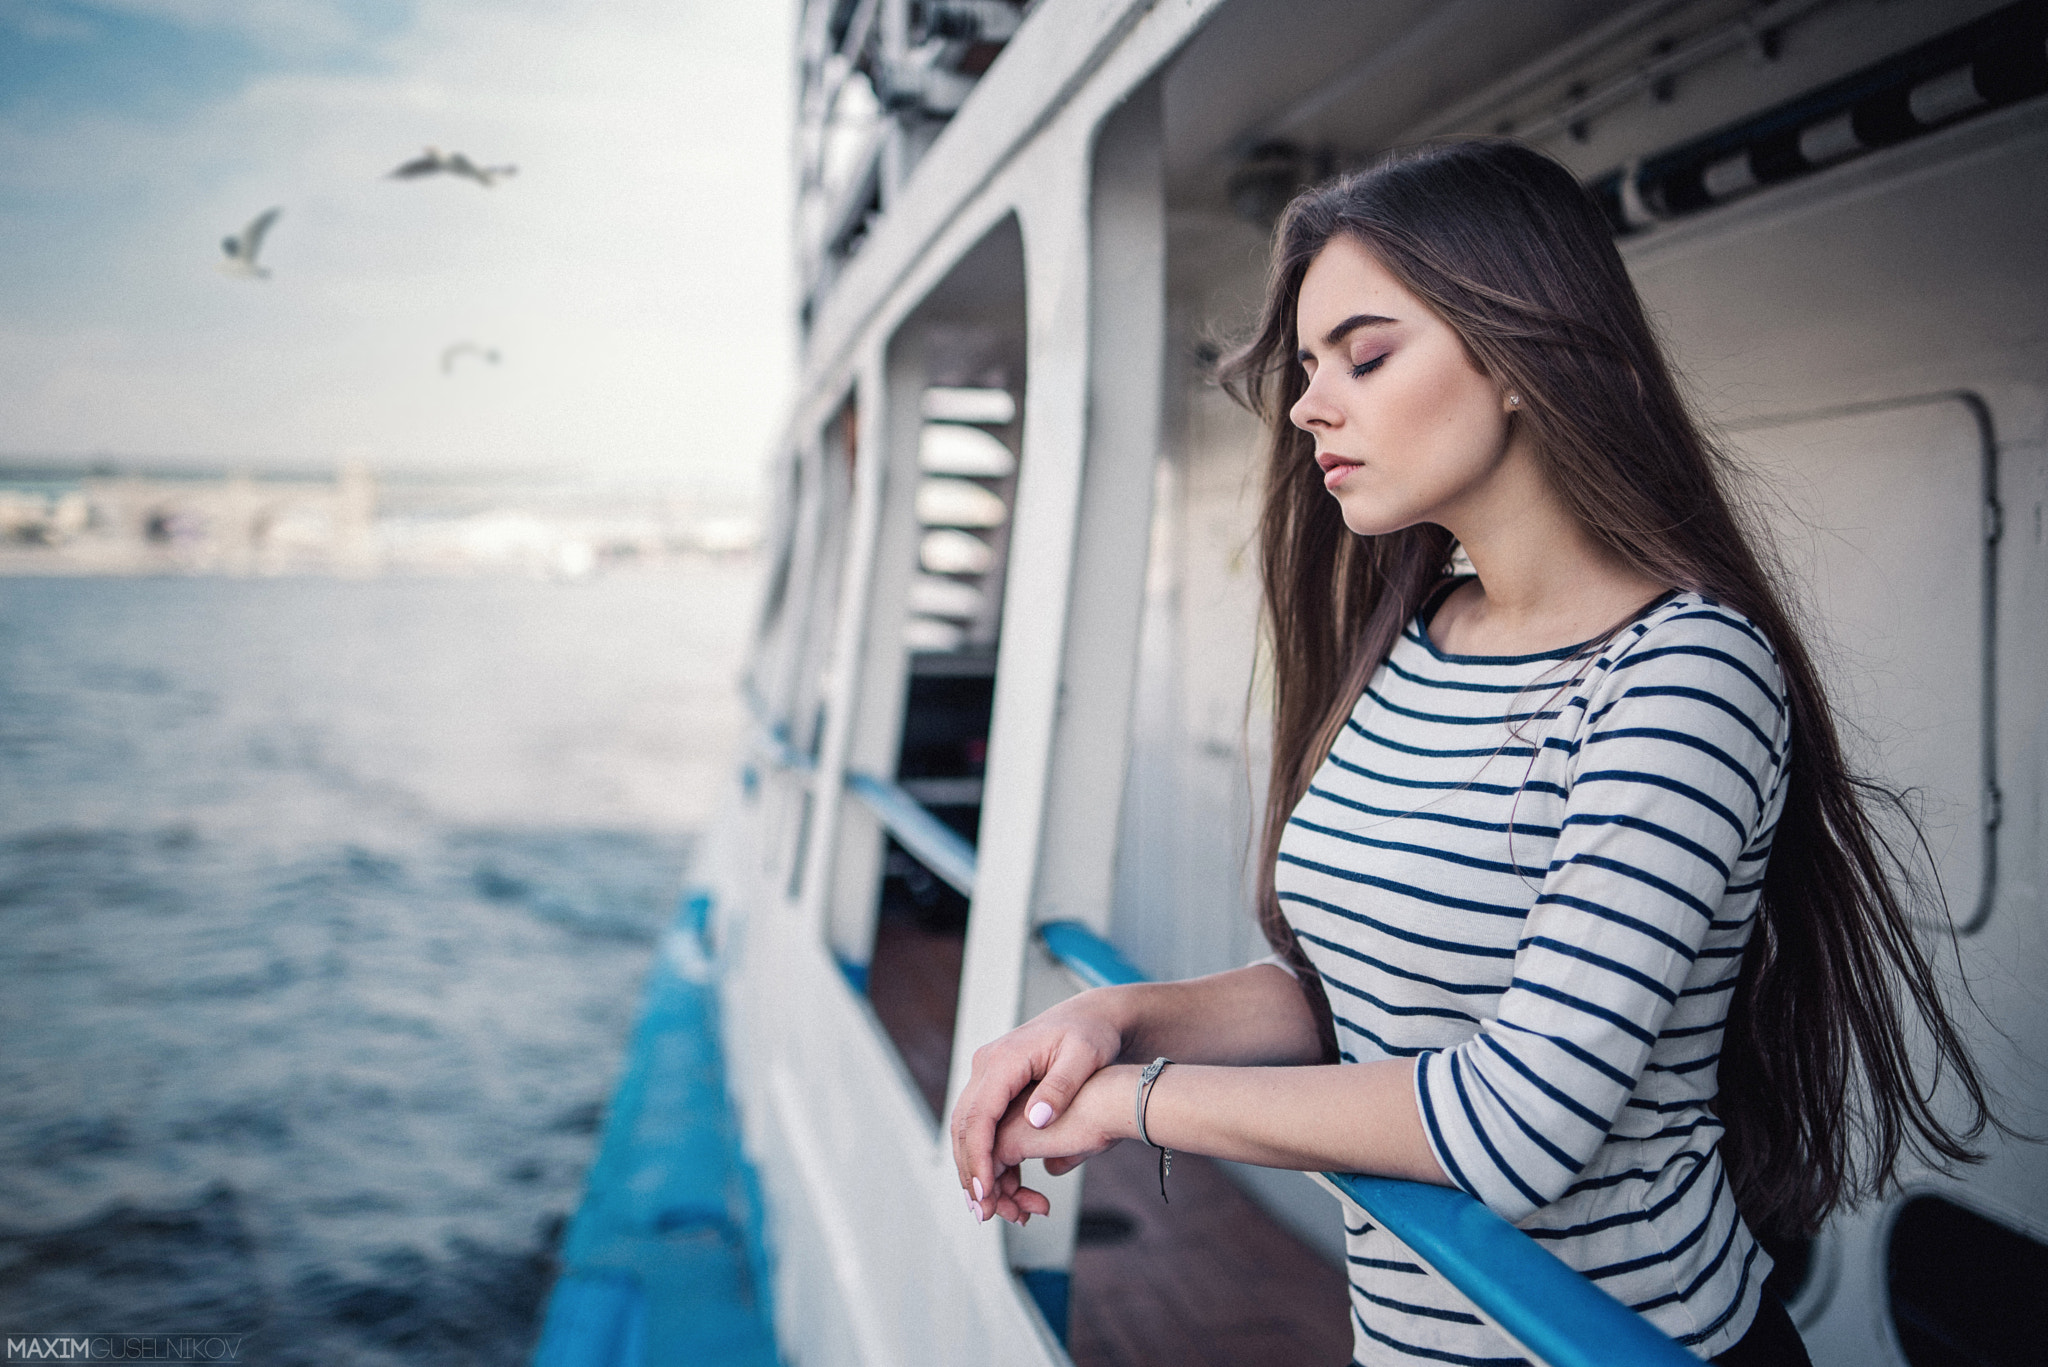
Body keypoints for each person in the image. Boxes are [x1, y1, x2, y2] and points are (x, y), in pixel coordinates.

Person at [947, 139, 2002, 1365]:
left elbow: (1513, 1126)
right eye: (1304, 366)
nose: (1305, 405)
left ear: (1517, 356)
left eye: (1366, 354)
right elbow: (1355, 995)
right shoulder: (1415, 632)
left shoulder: (1679, 674)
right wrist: (1119, 1017)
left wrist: (1133, 1103)